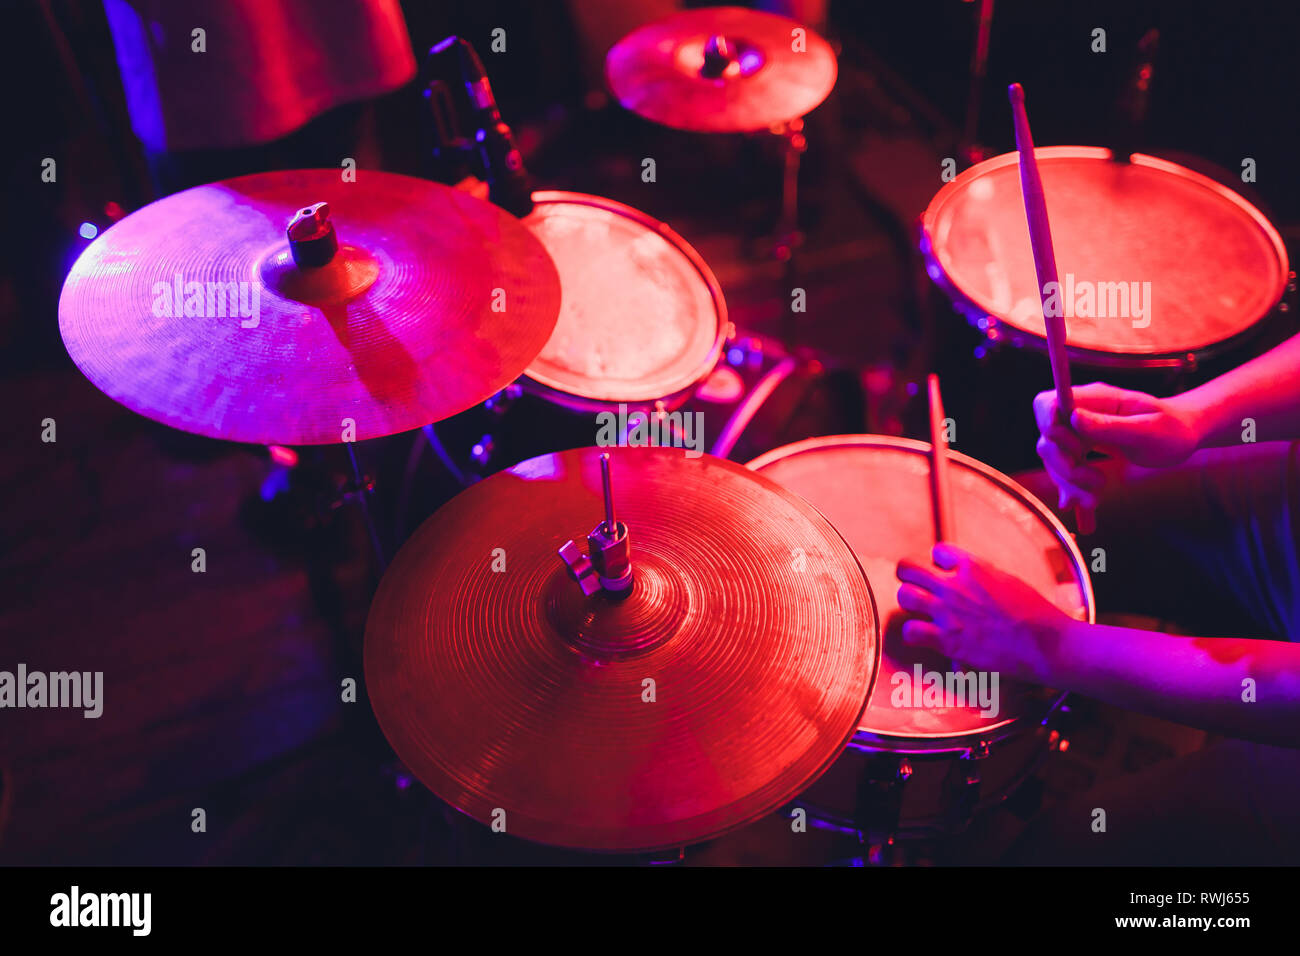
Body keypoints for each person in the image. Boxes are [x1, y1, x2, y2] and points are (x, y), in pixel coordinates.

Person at [896, 331, 1300, 864]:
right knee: (998, 517)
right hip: (1285, 500)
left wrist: (1050, 644)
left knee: (1062, 848)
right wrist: (1192, 417)